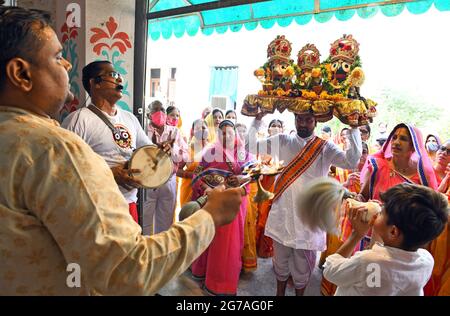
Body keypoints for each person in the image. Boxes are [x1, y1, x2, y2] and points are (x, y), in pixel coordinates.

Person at [0, 6, 243, 295]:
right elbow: (128, 270)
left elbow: (145, 148)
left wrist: (158, 151)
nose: (66, 66)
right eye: (57, 56)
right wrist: (210, 216)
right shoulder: (58, 142)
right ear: (21, 74)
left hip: (122, 205)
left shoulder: (125, 118)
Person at [249, 112, 362, 296]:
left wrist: (354, 128)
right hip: (283, 214)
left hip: (308, 218)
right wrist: (258, 119)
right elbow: (250, 145)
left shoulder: (325, 147)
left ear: (316, 121)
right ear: (294, 119)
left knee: (302, 267)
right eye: (299, 119)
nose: (303, 124)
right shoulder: (283, 140)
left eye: (308, 120)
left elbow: (351, 161)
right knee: (280, 263)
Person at [62, 61, 152, 223]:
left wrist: (160, 151)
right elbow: (64, 171)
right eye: (112, 75)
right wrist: (109, 174)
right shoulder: (78, 120)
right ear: (94, 83)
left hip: (130, 204)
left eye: (119, 75)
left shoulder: (130, 118)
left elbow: (148, 150)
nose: (119, 80)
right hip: (96, 208)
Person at [323, 183, 449, 296]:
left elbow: (330, 271)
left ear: (393, 231)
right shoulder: (426, 260)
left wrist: (356, 235)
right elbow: (377, 274)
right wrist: (377, 228)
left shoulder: (367, 262)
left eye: (382, 211)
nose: (379, 211)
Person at [190, 120, 254, 295]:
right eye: (222, 133)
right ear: (218, 135)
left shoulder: (244, 154)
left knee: (228, 245)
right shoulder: (210, 152)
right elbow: (197, 174)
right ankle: (202, 273)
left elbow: (253, 174)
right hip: (212, 201)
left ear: (235, 134)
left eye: (230, 132)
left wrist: (241, 180)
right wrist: (207, 189)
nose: (226, 136)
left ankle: (220, 284)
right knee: (208, 237)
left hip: (233, 203)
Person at [359, 123, 438, 251]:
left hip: (401, 241)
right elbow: (363, 196)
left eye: (403, 139)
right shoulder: (378, 166)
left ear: (413, 146)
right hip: (370, 233)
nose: (396, 142)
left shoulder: (422, 176)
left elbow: (428, 212)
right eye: (394, 137)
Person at [144, 101, 188, 235]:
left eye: (162, 109)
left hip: (168, 181)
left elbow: (185, 157)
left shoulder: (174, 132)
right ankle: (146, 253)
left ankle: (161, 253)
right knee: (145, 222)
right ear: (148, 114)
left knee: (165, 224)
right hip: (147, 182)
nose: (160, 113)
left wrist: (172, 149)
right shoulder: (143, 130)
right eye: (156, 110)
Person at [425, 139, 450, 296]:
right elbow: (431, 200)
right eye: (442, 149)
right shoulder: (426, 171)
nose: (443, 153)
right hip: (432, 231)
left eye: (449, 152)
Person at [177, 119, 209, 206]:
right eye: (197, 128)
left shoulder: (213, 149)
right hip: (189, 190)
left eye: (203, 128)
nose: (201, 130)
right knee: (189, 217)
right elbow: (177, 170)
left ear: (208, 130)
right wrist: (192, 176)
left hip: (209, 192)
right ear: (193, 131)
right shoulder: (187, 150)